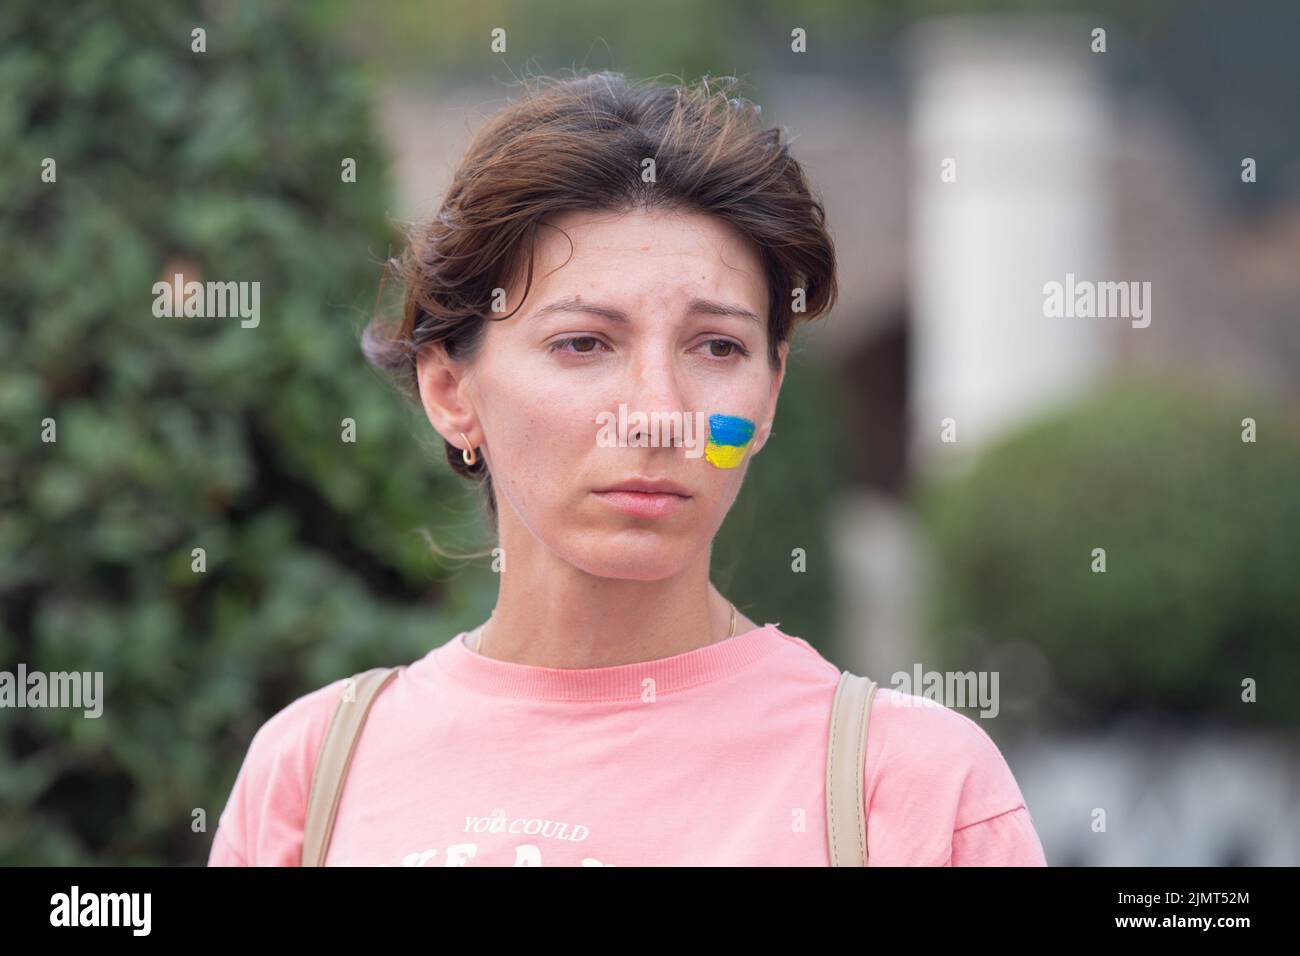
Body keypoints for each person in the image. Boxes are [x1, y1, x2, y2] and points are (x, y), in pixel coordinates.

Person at [208, 71, 1046, 867]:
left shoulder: (910, 788)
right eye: (584, 343)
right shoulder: (314, 772)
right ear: (449, 389)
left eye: (718, 346)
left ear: (770, 395)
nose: (658, 411)